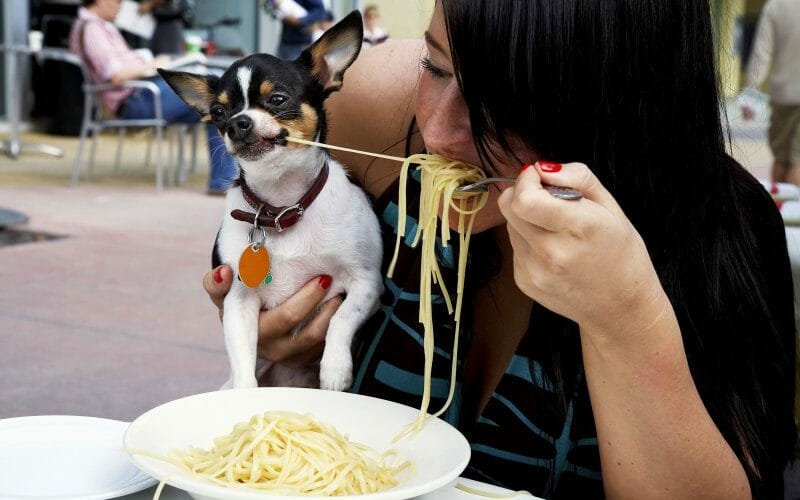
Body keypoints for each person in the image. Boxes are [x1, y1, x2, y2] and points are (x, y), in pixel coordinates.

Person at [204, 1, 796, 497]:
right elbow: (256, 217)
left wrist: (626, 320)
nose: (438, 131)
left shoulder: (722, 226)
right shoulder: (377, 107)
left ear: (628, 103)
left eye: (508, 100)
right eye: (435, 67)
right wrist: (271, 311)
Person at [70, 0, 237, 195]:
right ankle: (223, 182)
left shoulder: (101, 26)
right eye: (116, 1)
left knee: (218, 108)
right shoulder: (92, 29)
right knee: (217, 102)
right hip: (134, 101)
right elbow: (116, 75)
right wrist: (152, 65)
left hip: (142, 93)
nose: (120, 6)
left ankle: (224, 181)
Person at [741, 0, 800, 186]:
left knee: (782, 161)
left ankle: (780, 210)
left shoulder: (775, 7)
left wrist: (751, 92)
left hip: (783, 95)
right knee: (797, 162)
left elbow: (761, 53)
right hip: (785, 96)